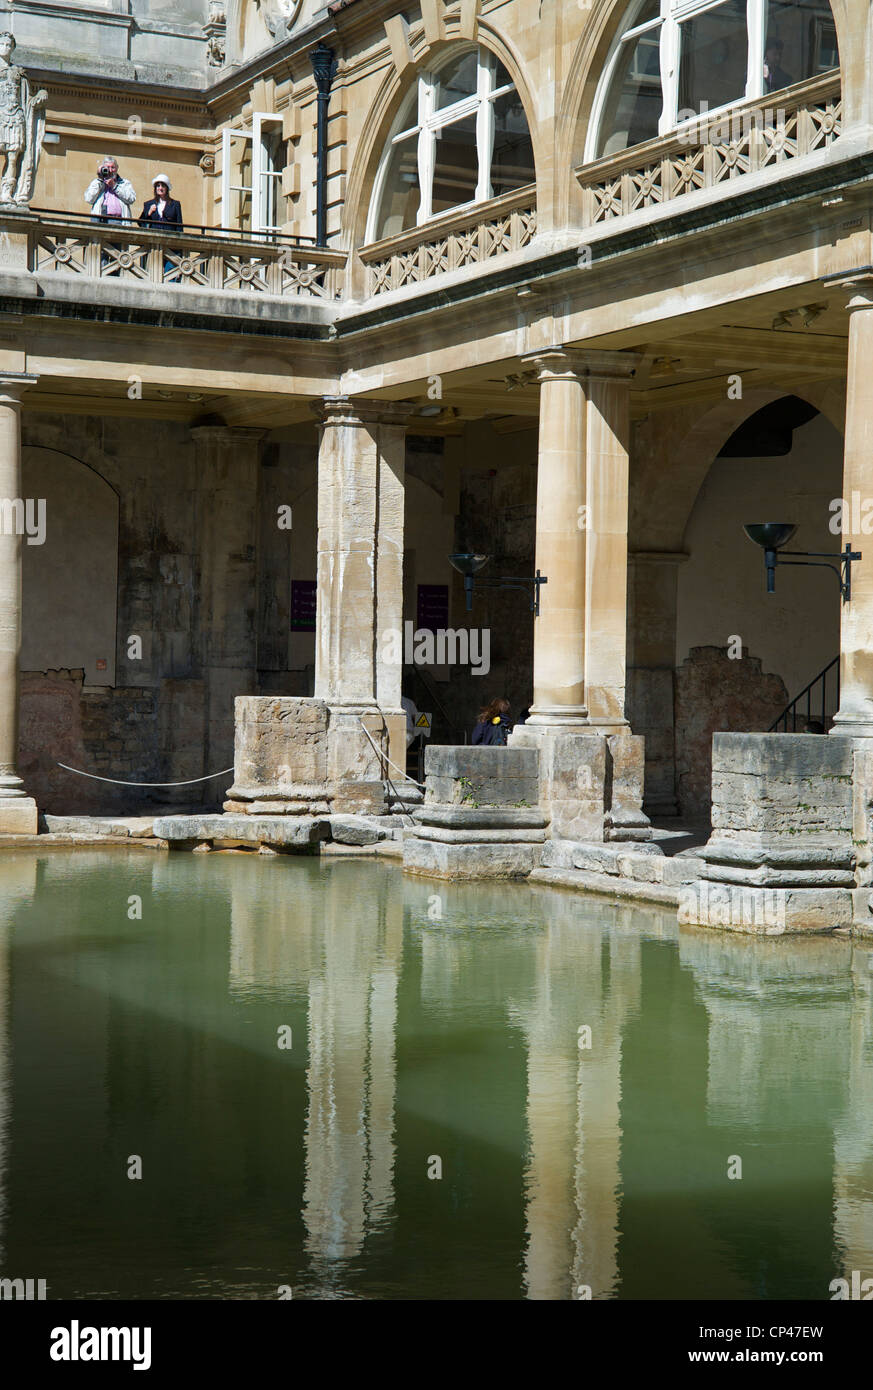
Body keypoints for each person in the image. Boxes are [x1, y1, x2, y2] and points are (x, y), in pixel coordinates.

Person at [84, 155, 136, 222]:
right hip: (99, 220)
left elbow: (131, 199)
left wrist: (114, 186)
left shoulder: (124, 183)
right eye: (108, 167)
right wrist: (100, 179)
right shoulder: (97, 182)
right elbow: (89, 199)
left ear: (117, 168)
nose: (110, 170)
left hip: (118, 220)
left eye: (113, 167)